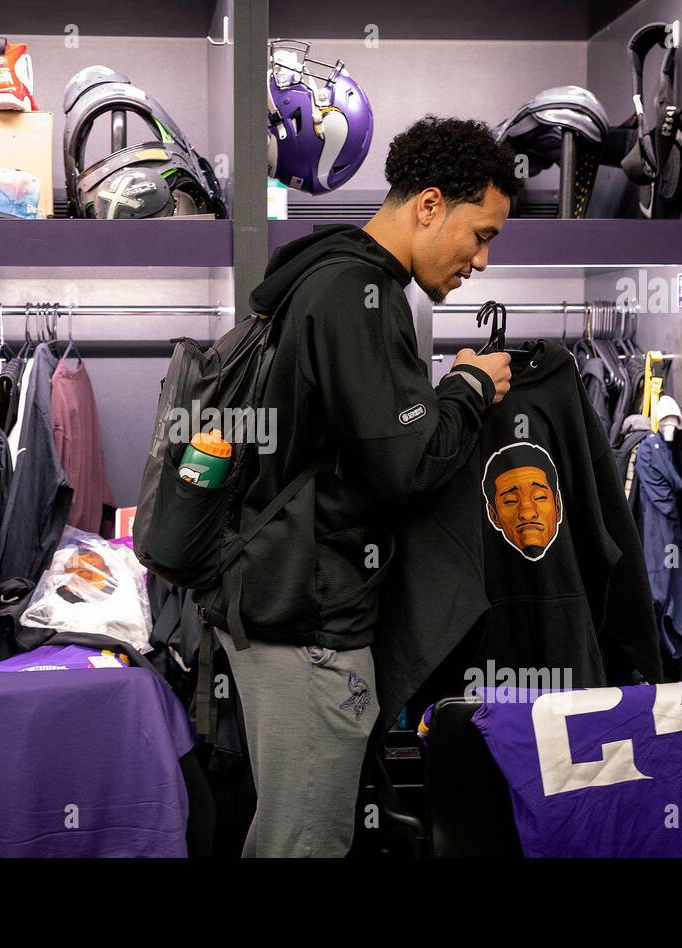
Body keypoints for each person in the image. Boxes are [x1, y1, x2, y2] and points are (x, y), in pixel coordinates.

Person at [198, 116, 520, 856]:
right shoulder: (357, 293)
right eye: (483, 235)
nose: (481, 260)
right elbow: (406, 467)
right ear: (430, 204)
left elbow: (367, 439)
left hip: (283, 607)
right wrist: (469, 385)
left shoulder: (323, 274)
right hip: (308, 625)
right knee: (304, 843)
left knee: (291, 833)